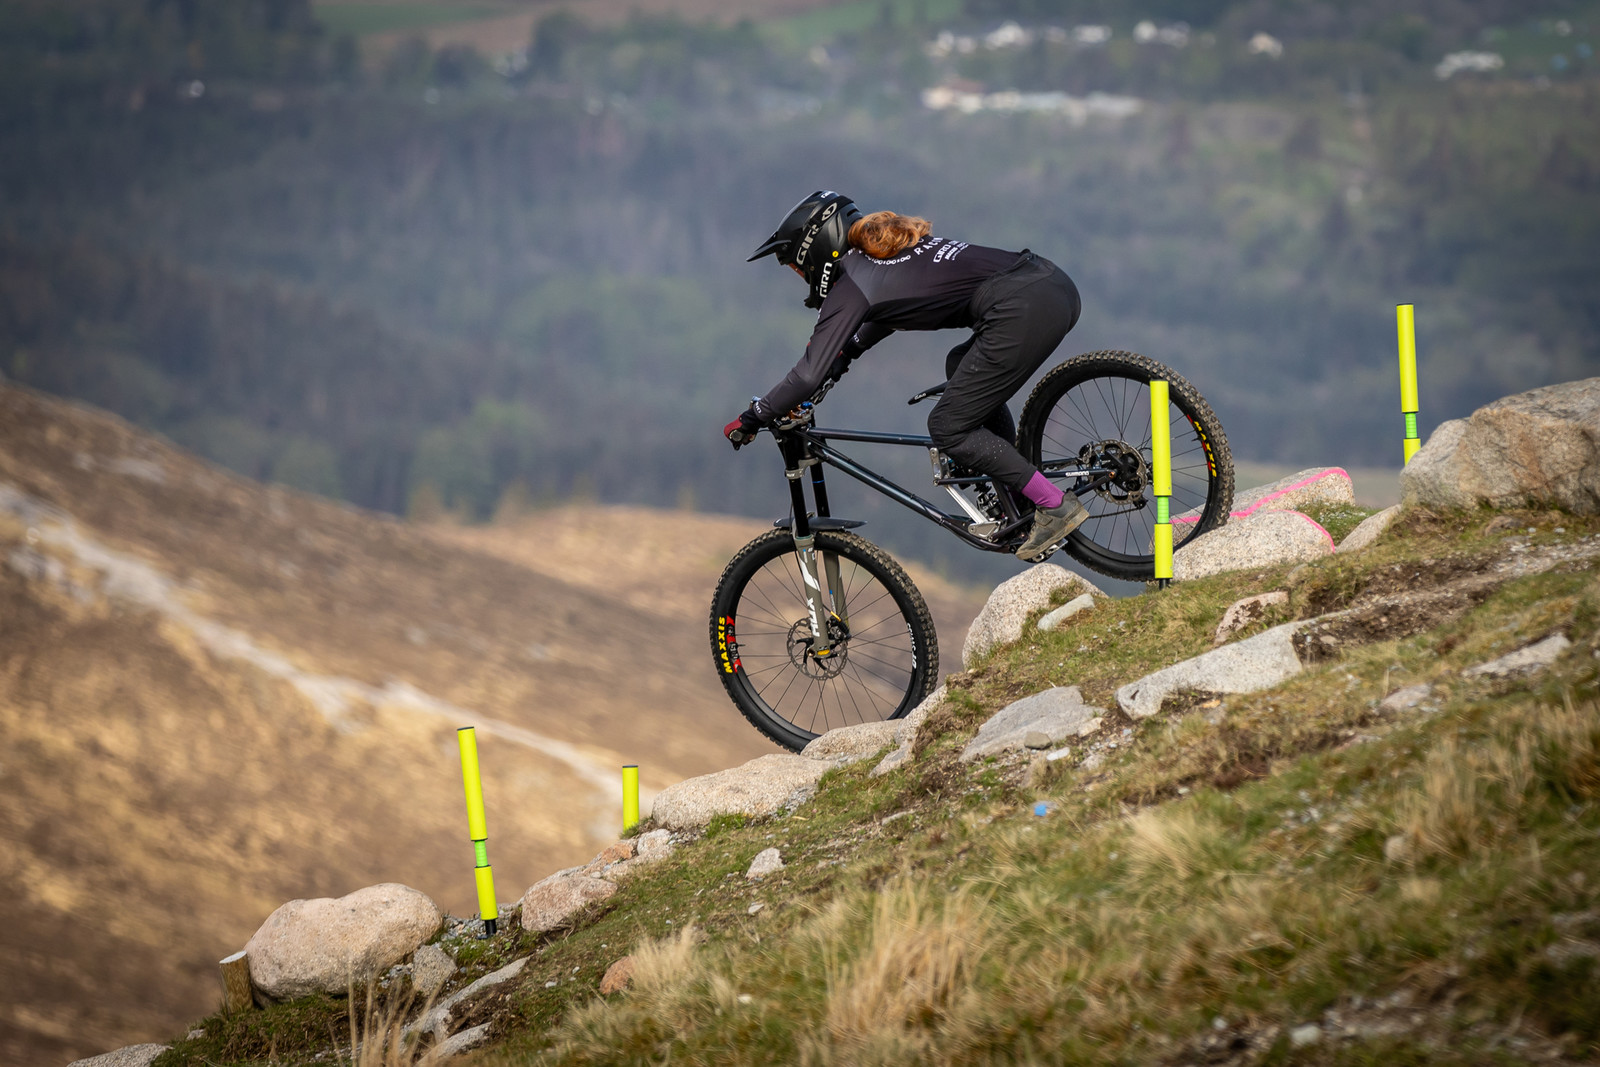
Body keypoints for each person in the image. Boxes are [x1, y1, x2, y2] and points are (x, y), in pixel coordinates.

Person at [724, 190, 1087, 561]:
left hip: (1021, 309)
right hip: (1052, 284)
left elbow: (805, 376)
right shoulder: (887, 253)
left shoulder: (854, 282)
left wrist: (754, 417)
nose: (802, 277)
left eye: (798, 267)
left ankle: (1053, 504)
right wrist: (845, 355)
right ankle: (1019, 494)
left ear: (816, 248)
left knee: (948, 427)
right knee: (959, 365)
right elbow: (887, 313)